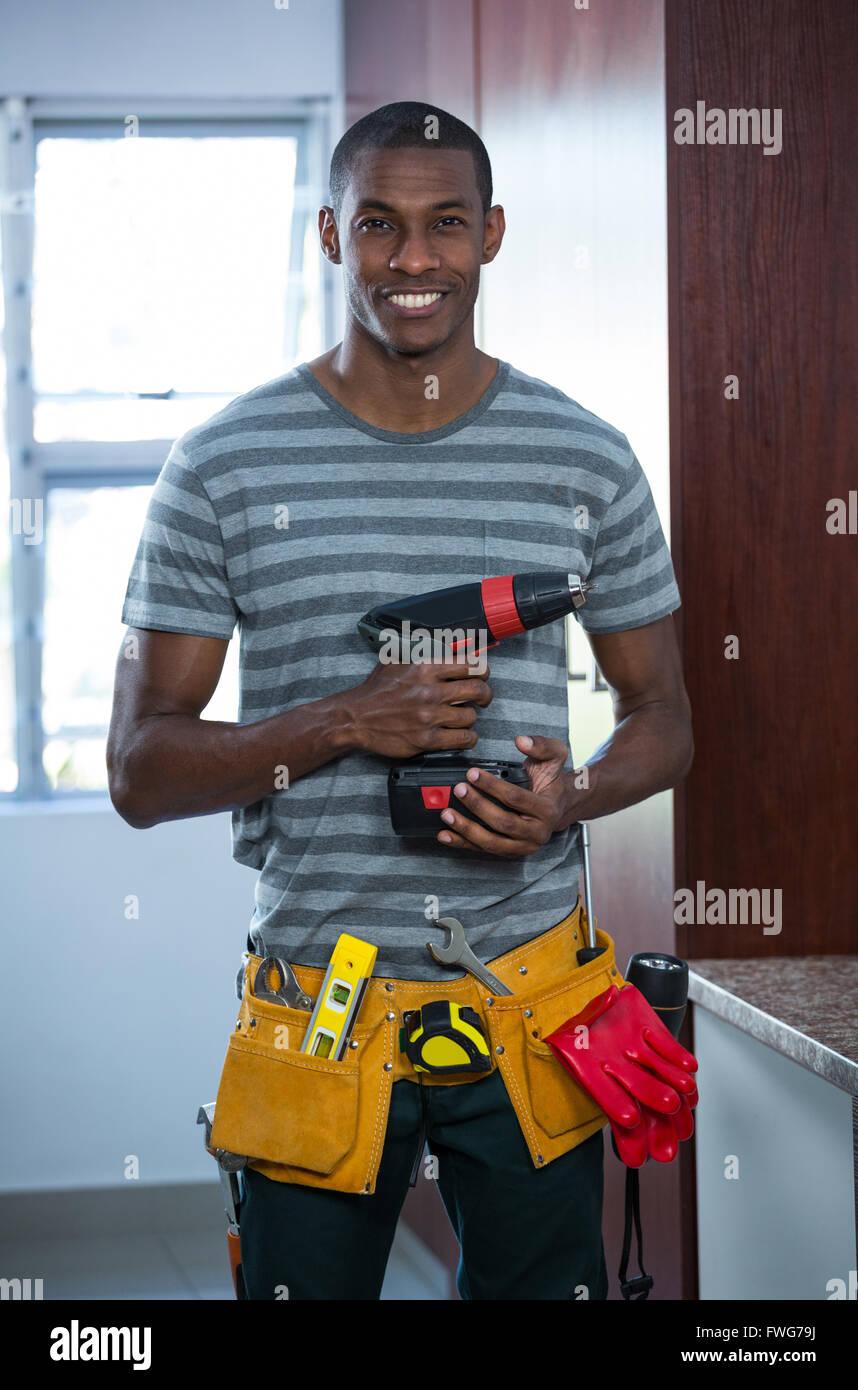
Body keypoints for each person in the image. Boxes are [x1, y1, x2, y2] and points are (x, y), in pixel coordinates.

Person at [108, 101, 693, 1301]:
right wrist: (341, 720)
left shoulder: (584, 460)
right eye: (379, 224)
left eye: (443, 225)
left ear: (490, 234)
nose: (412, 258)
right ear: (331, 234)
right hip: (317, 1004)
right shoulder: (224, 465)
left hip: (531, 999)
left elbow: (665, 718)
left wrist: (568, 797)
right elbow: (139, 771)